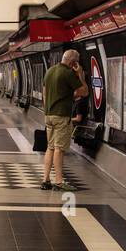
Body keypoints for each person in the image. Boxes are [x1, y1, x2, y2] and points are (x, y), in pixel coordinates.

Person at [41, 49, 88, 191]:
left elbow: (44, 92)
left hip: (49, 115)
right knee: (59, 149)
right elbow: (84, 91)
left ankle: (46, 179)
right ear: (73, 62)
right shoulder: (68, 73)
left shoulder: (50, 71)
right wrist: (80, 74)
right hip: (61, 116)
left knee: (50, 147)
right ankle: (59, 181)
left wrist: (49, 107)